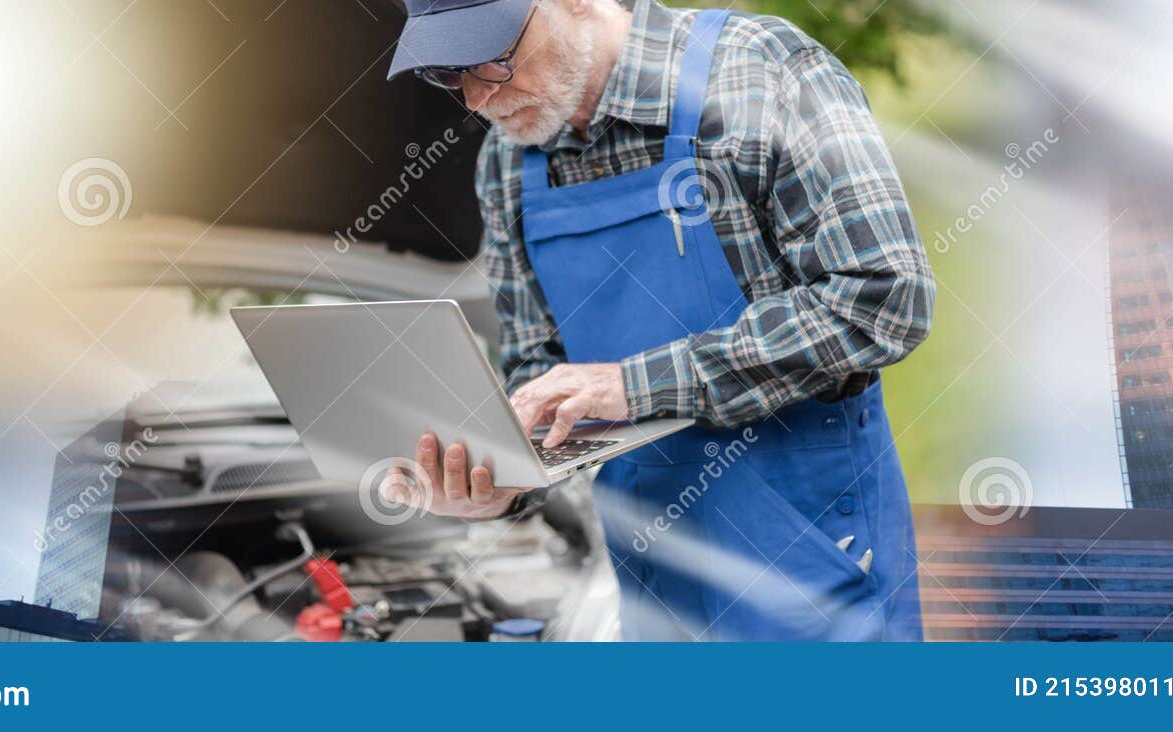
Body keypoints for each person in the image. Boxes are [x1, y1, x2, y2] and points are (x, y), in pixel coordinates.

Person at [381, 0, 935, 641]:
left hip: (810, 553)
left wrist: (631, 386)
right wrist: (502, 481)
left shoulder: (760, 71)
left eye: (491, 60)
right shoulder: (508, 164)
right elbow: (541, 374)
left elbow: (884, 297)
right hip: (651, 581)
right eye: (449, 74)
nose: (477, 100)